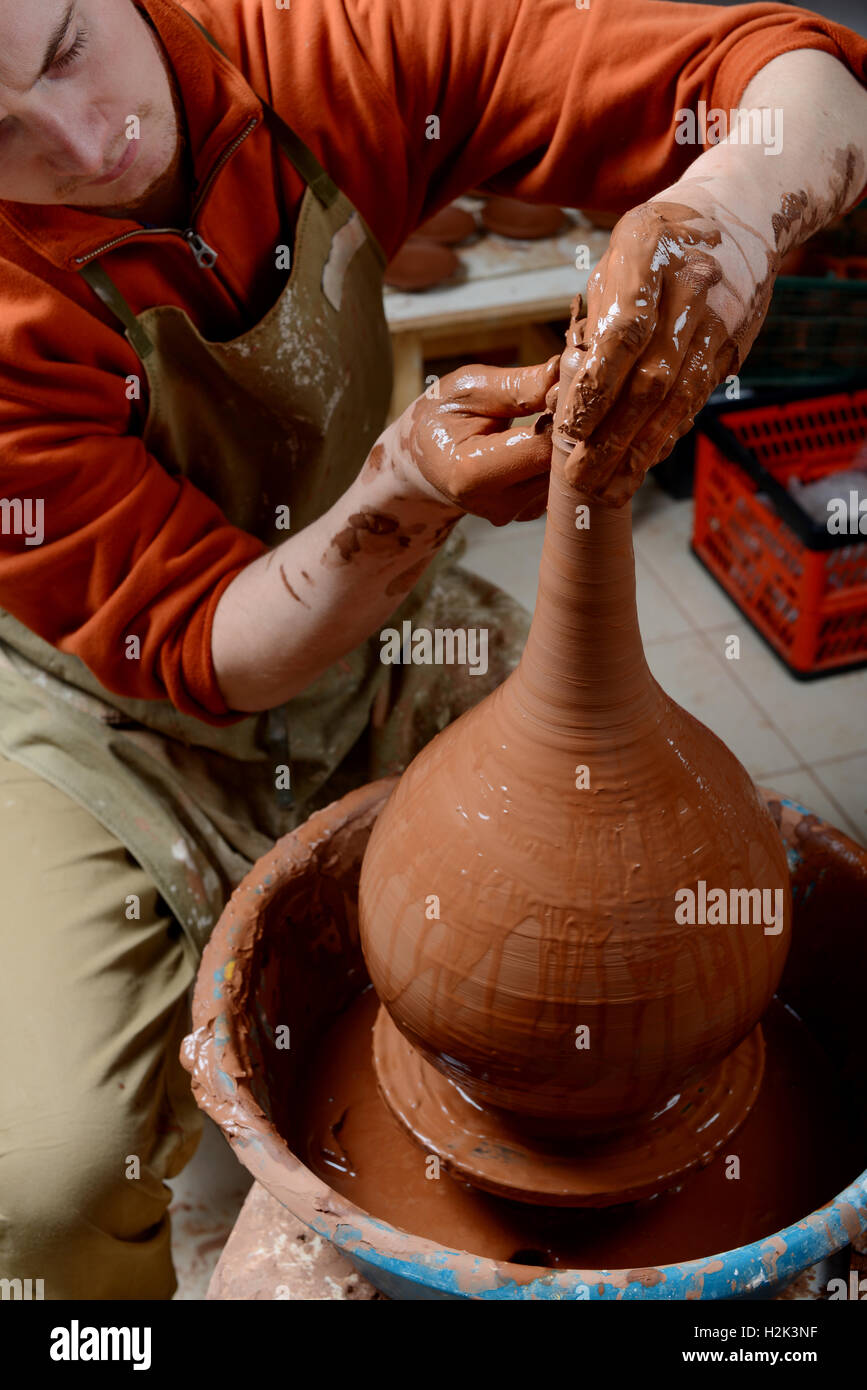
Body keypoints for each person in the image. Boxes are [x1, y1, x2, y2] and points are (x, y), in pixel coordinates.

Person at [0, 0, 864, 1300]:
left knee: (662, 891)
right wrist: (402, 487)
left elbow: (792, 69)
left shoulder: (314, 53)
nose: (84, 135)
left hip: (378, 623)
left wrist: (735, 212)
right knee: (47, 1180)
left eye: (66, 48)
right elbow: (208, 646)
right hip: (112, 707)